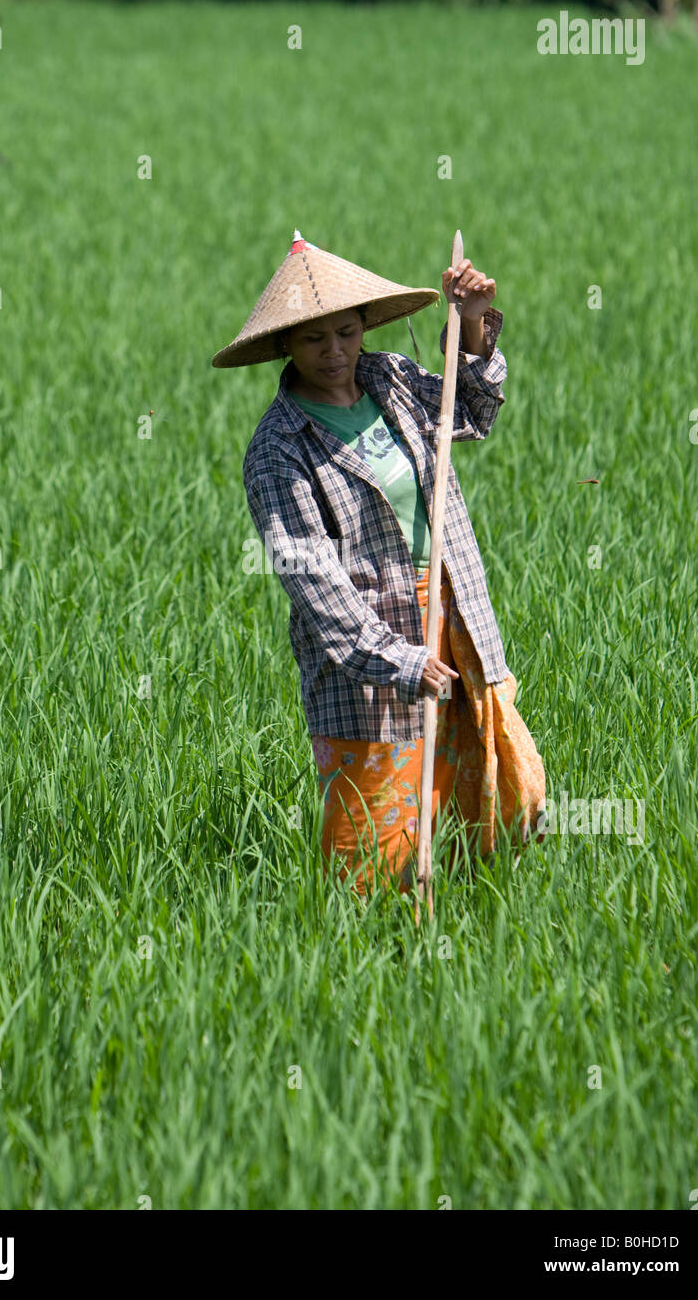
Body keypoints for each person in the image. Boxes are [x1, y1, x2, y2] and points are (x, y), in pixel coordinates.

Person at [216, 230, 546, 899]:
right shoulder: (279, 449)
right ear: (285, 346)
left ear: (363, 325)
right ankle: (386, 957)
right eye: (313, 341)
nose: (334, 353)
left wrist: (473, 322)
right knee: (377, 843)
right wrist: (395, 657)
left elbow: (471, 411)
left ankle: (482, 918)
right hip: (370, 653)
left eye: (345, 332)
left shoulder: (390, 380)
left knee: (504, 791)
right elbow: (312, 580)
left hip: (456, 616)